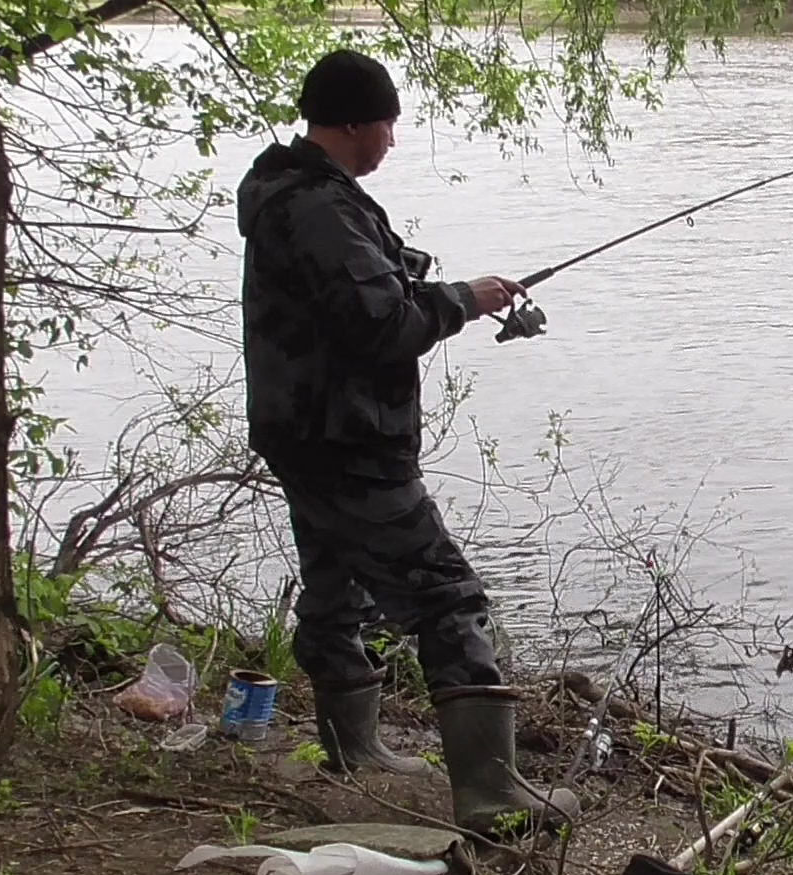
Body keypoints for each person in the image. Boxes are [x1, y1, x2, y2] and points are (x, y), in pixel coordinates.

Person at [234, 48, 577, 835]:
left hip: (307, 432)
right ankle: (492, 795)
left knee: (335, 589)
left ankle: (352, 753)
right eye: (387, 123)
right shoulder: (320, 207)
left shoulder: (295, 195)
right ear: (354, 122)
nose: (392, 139)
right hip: (346, 439)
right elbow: (382, 325)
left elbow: (356, 304)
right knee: (448, 598)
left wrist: (440, 290)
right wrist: (461, 298)